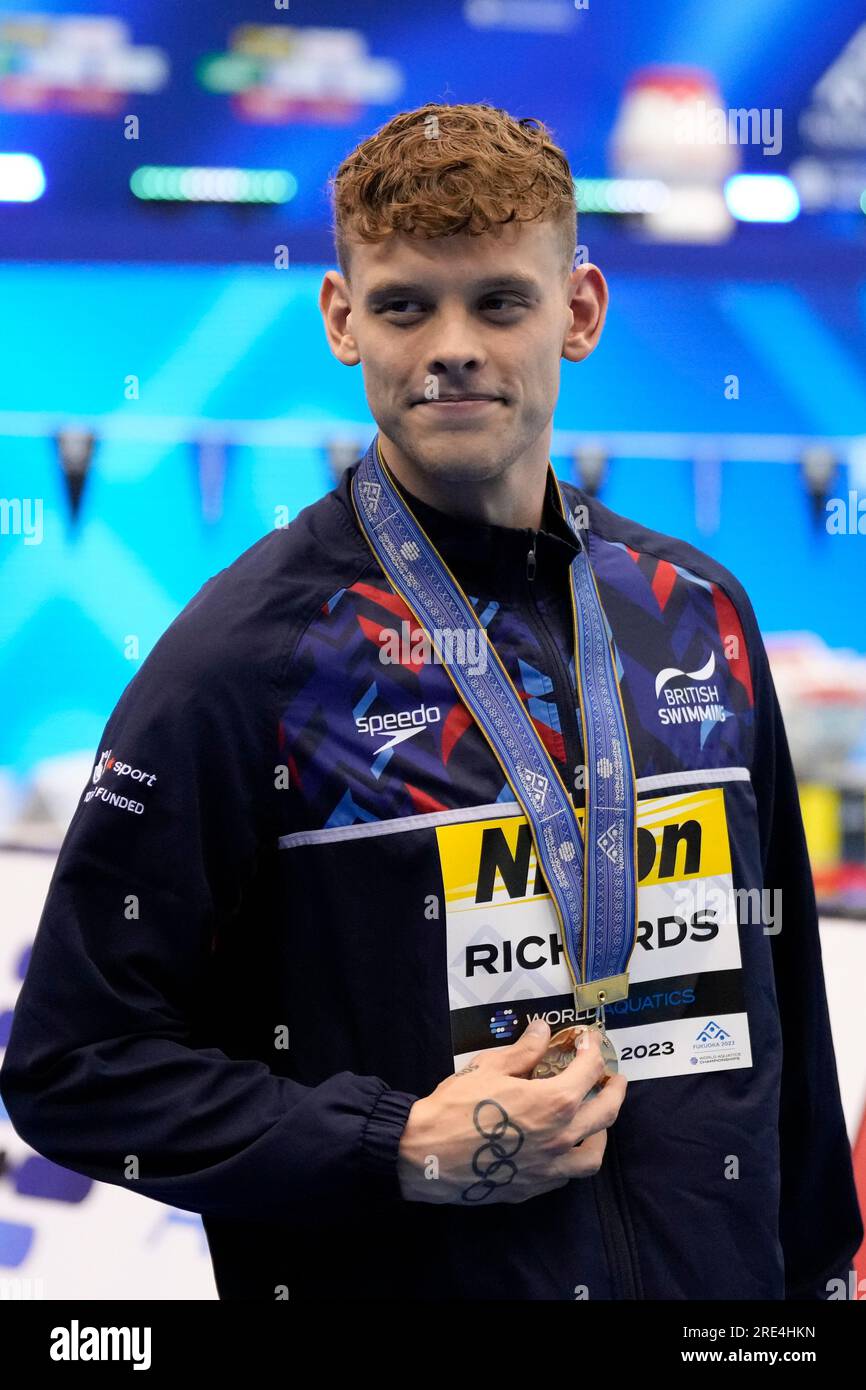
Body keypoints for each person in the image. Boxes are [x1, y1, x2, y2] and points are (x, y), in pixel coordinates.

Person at [1, 102, 861, 1302]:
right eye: (406, 304)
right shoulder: (248, 661)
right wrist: (393, 1142)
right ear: (344, 320)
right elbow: (74, 1066)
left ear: (578, 311)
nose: (451, 344)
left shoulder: (695, 615)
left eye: (498, 302)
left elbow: (788, 1041)